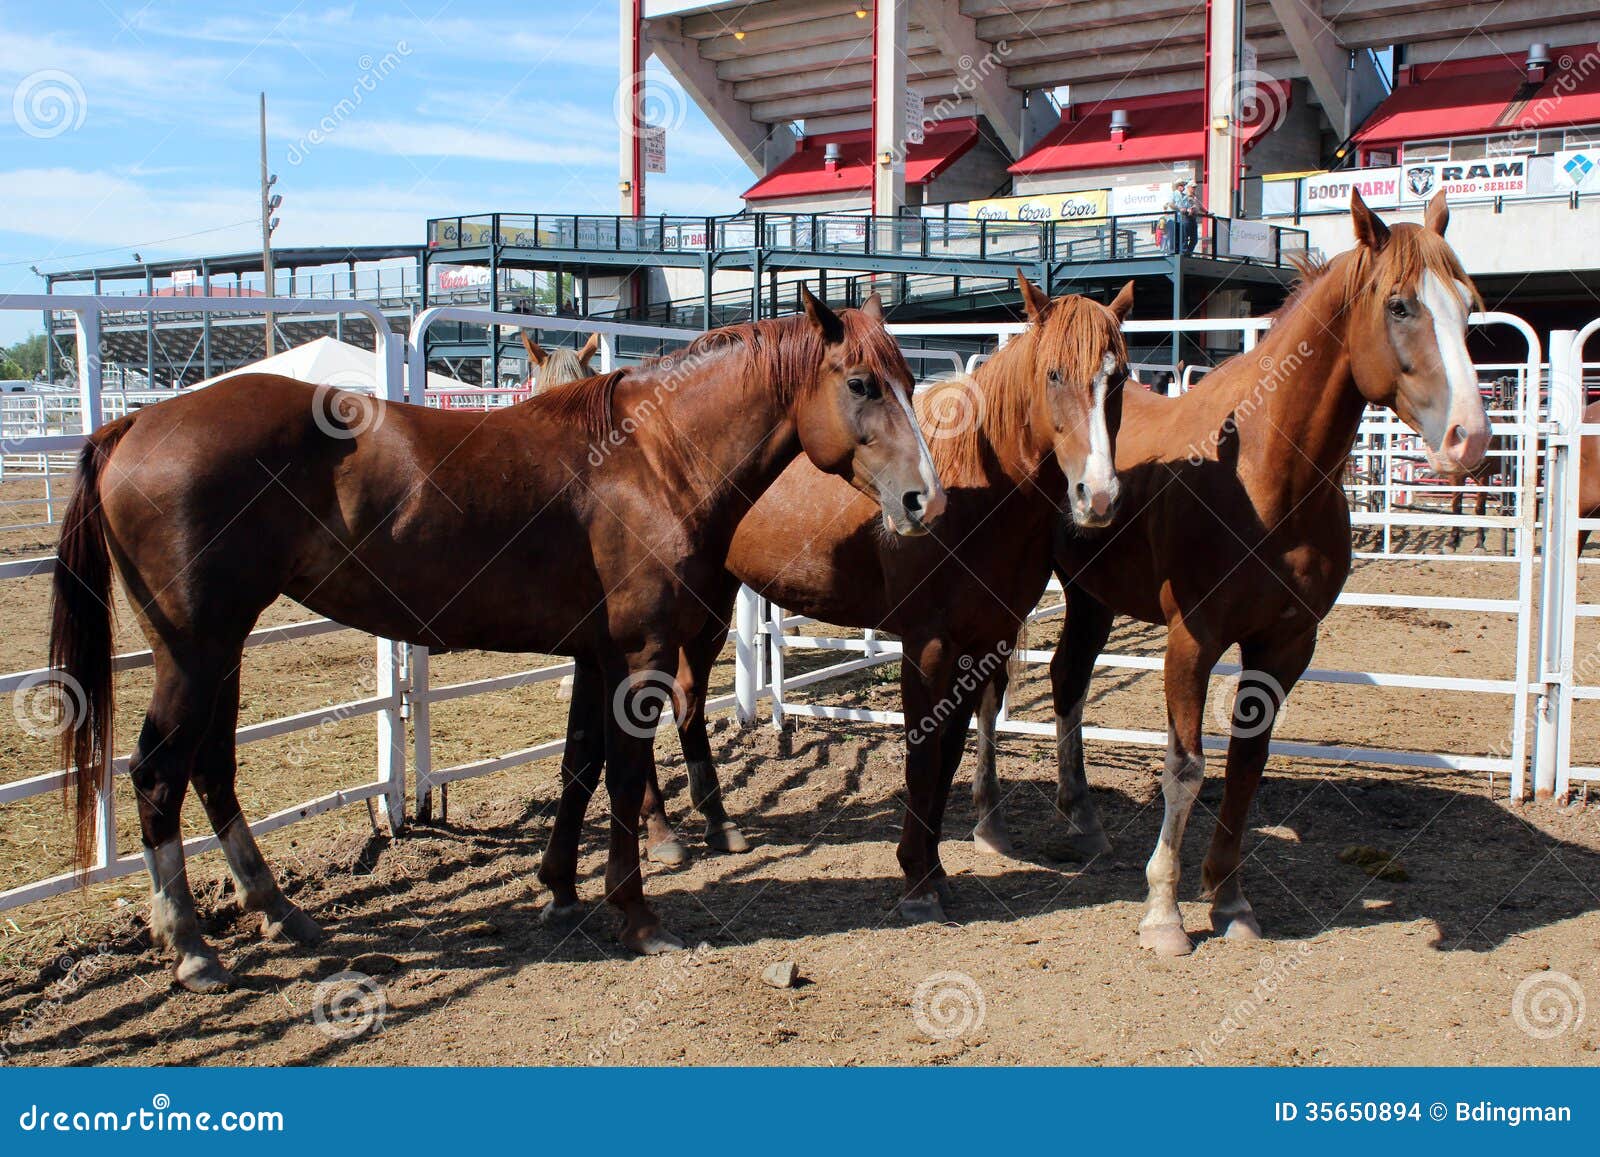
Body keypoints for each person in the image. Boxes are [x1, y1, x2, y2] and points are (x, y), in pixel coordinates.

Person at [1168, 179, 1200, 255]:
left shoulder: (1184, 196)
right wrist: (1179, 208)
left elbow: (1187, 206)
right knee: (1177, 238)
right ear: (1178, 186)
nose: (1183, 187)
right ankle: (1176, 253)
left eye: (1184, 185)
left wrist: (1190, 209)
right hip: (1174, 219)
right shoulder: (1174, 194)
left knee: (1185, 238)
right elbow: (1171, 204)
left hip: (1182, 219)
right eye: (1181, 185)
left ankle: (1186, 253)